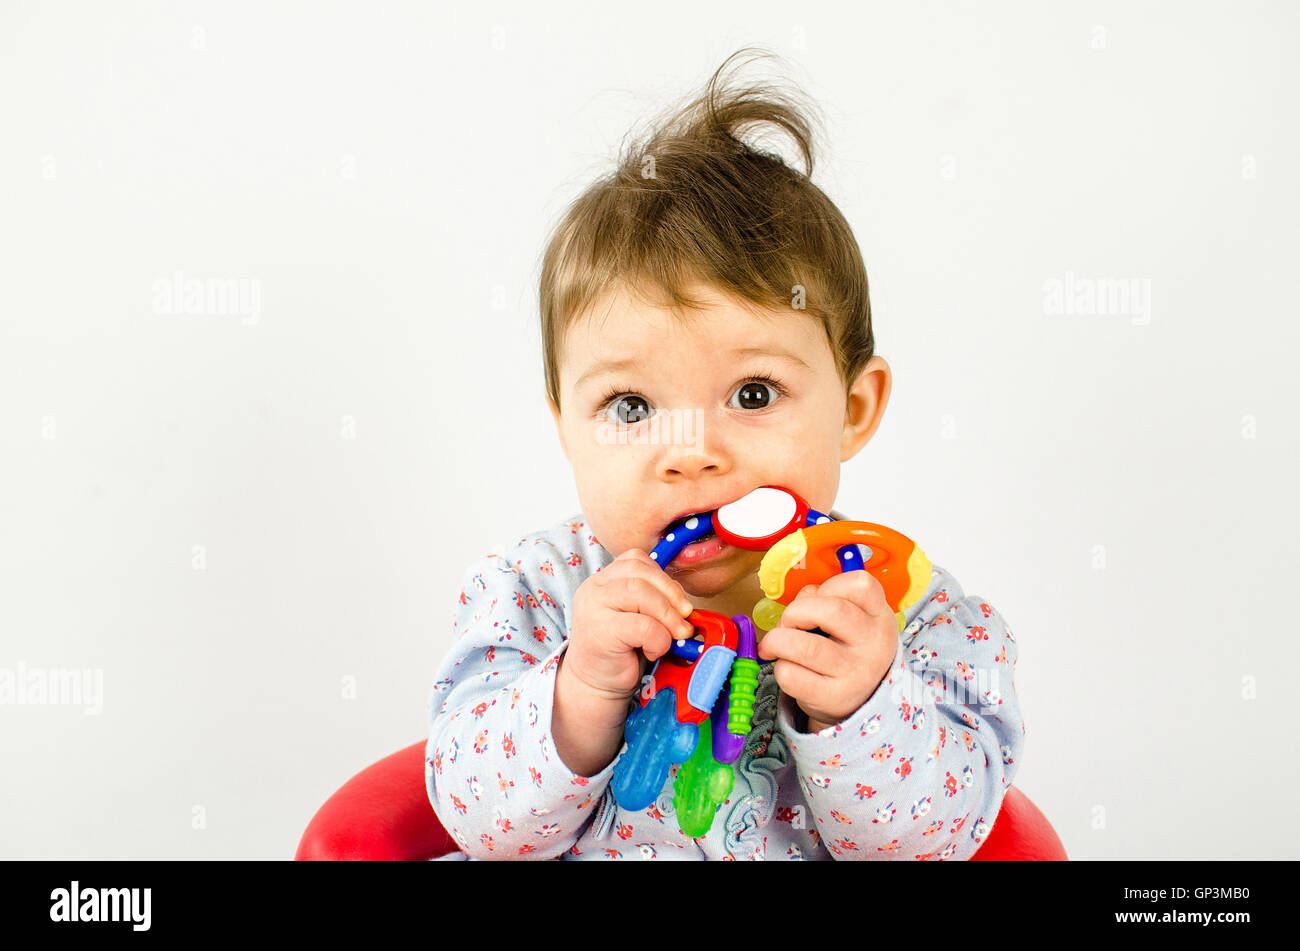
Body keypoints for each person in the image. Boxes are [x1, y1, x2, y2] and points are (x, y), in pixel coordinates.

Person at [425, 47, 1024, 860]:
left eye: (752, 394)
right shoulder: (535, 593)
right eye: (631, 406)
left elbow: (940, 843)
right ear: (566, 425)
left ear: (854, 407)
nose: (692, 452)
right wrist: (579, 692)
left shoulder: (907, 612)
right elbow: (476, 821)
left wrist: (861, 709)